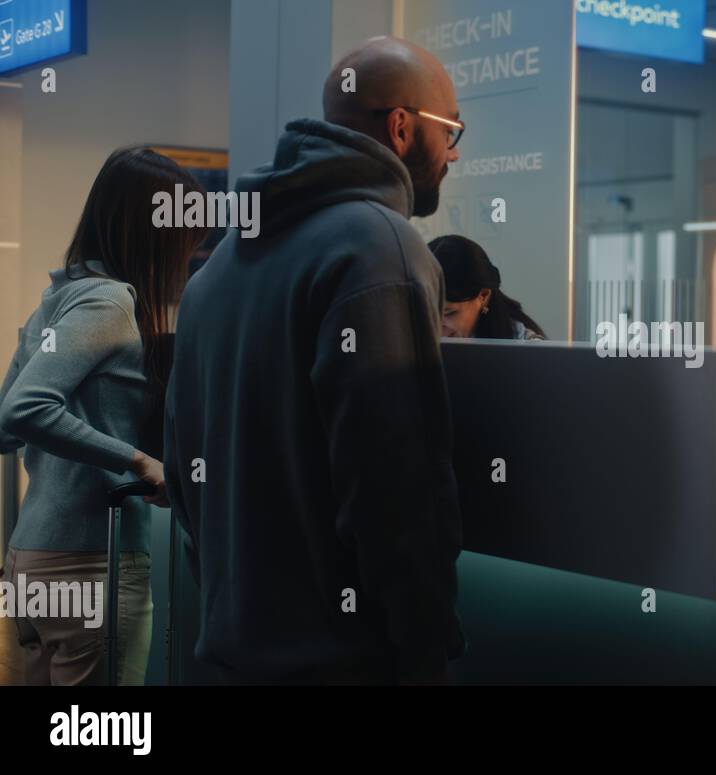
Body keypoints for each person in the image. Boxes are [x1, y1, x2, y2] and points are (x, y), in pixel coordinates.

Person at [163, 36, 464, 684]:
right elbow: (396, 490)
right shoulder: (380, 247)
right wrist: (424, 646)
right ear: (403, 127)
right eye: (452, 130)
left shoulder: (216, 268)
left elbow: (186, 480)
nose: (456, 151)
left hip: (225, 656)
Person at [0, 147, 204, 685]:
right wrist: (138, 461)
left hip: (31, 558)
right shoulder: (109, 303)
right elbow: (25, 409)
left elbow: (5, 425)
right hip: (92, 560)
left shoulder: (56, 297)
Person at [429, 235, 546, 340]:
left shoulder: (526, 350)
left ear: (483, 296)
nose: (436, 326)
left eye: (449, 313)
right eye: (426, 313)